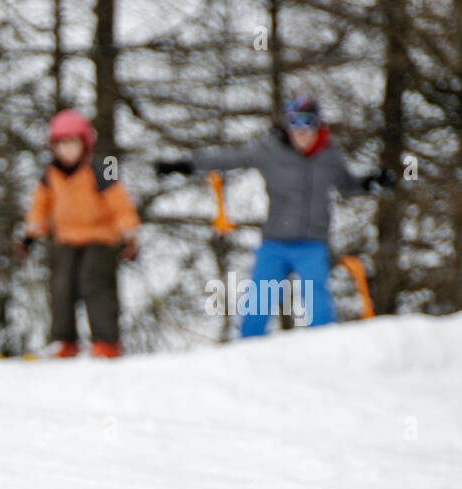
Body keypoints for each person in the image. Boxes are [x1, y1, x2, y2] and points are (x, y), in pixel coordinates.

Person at [156, 95, 394, 337]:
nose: (302, 131)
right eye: (295, 123)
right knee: (258, 304)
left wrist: (371, 182)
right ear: (286, 126)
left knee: (317, 302)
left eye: (308, 123)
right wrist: (184, 165)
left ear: (318, 124)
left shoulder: (329, 155)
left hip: (312, 244)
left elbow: (347, 183)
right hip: (276, 243)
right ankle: (248, 353)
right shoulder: (270, 150)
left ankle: (324, 355)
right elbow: (229, 158)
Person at [18, 109, 140, 359]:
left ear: (84, 144)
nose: (67, 150)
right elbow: (39, 208)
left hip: (100, 238)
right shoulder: (50, 174)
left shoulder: (100, 169)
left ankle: (106, 341)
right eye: (61, 144)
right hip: (66, 239)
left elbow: (120, 204)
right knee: (61, 286)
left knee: (92, 282)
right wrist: (30, 235)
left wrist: (130, 236)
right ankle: (64, 341)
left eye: (72, 143)